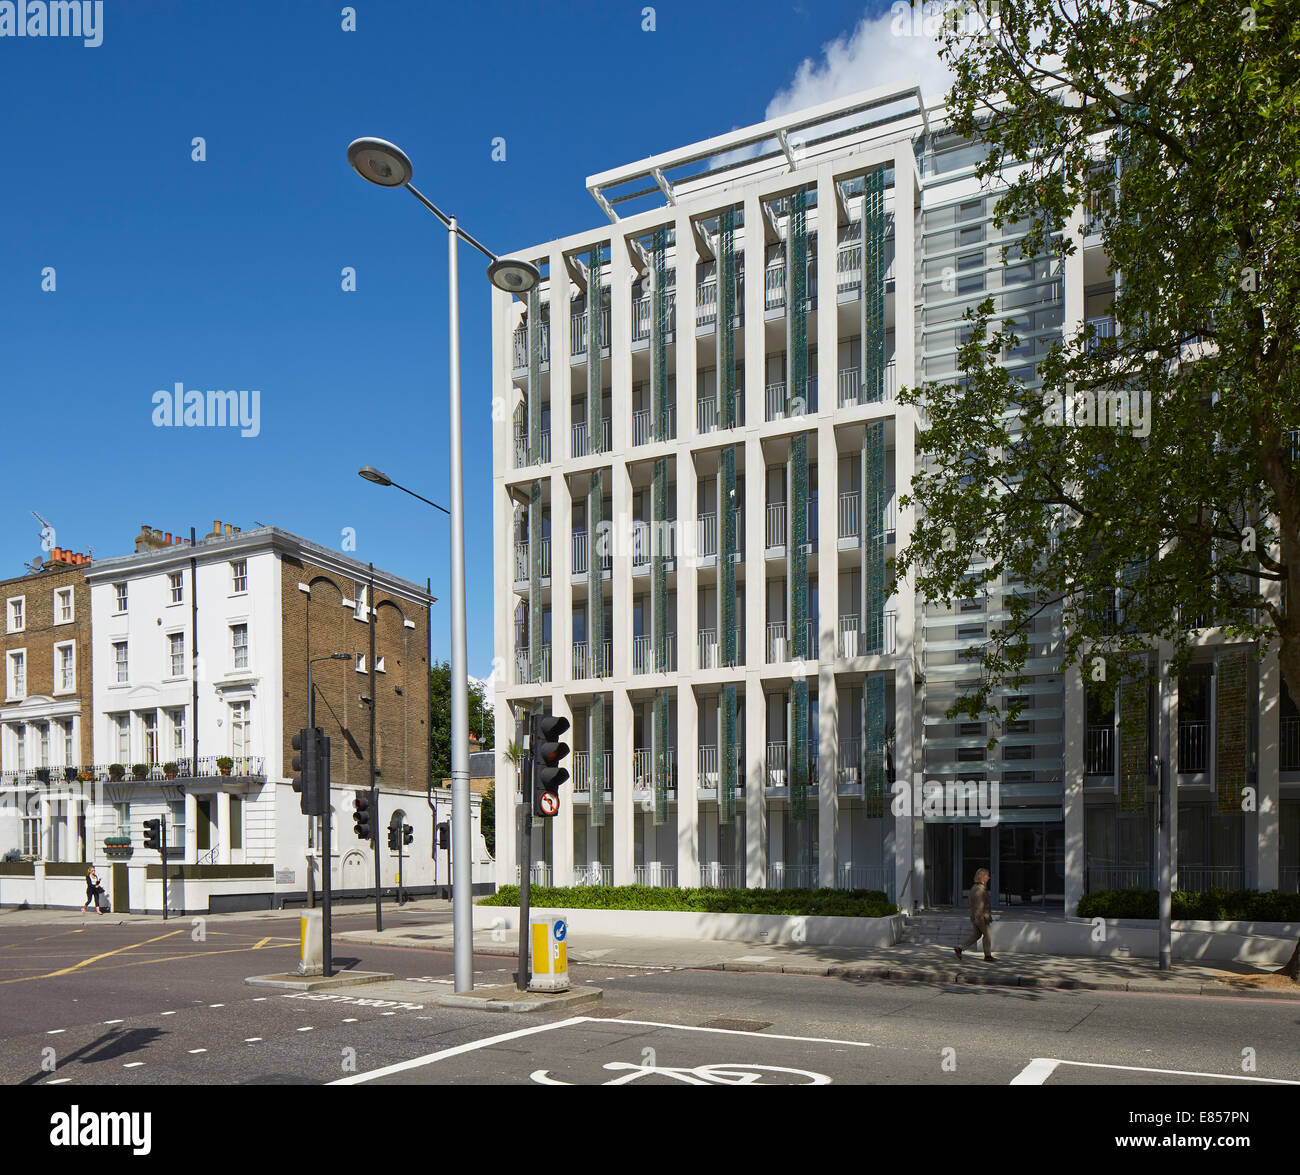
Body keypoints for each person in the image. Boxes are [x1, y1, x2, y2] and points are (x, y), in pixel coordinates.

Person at [955, 866, 996, 961]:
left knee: (976, 935)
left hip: (975, 916)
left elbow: (970, 902)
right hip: (981, 917)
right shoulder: (980, 889)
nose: (988, 878)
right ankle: (988, 956)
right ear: (982, 877)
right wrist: (980, 917)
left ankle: (960, 948)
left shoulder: (974, 887)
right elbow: (979, 905)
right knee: (987, 936)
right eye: (987, 876)